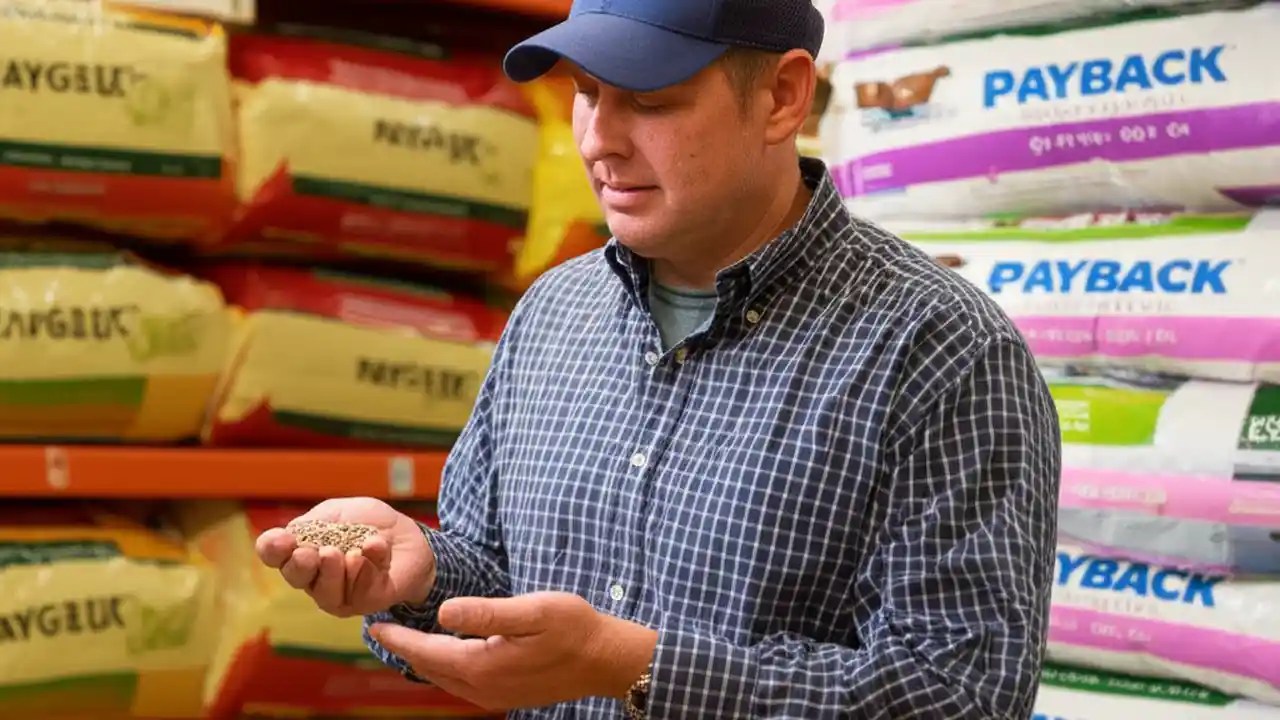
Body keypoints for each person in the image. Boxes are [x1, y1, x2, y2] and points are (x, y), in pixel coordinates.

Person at [254, 0, 1063, 717]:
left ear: (782, 97)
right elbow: (502, 576)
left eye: (648, 100)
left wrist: (634, 667)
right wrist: (425, 573)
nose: (601, 141)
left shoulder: (942, 352)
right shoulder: (552, 314)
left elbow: (960, 693)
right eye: (585, 93)